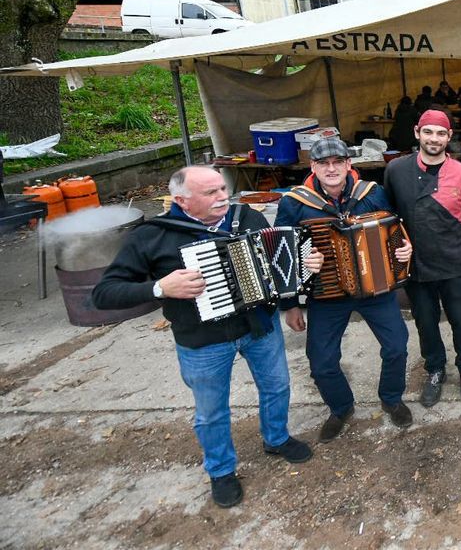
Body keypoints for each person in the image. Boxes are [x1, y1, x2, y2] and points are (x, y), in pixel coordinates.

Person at [91, 166, 312, 508]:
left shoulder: (246, 217)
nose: (223, 197)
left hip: (259, 326)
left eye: (223, 189)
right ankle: (221, 471)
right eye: (211, 193)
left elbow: (273, 266)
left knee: (278, 386)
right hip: (202, 340)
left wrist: (296, 285)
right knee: (211, 411)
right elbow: (104, 293)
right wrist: (160, 287)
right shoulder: (152, 236)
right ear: (181, 200)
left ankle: (277, 438)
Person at [276, 137, 415, 443]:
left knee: (397, 346)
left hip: (374, 289)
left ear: (348, 164)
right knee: (321, 361)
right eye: (323, 164)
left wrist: (403, 253)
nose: (331, 169)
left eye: (337, 162)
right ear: (313, 167)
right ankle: (340, 407)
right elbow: (281, 256)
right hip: (326, 294)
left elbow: (394, 230)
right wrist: (291, 300)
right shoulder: (295, 202)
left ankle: (391, 398)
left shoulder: (372, 193)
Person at [384, 110, 461, 406]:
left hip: (453, 261)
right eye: (428, 132)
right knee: (425, 322)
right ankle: (435, 369)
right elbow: (388, 216)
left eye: (441, 133)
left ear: (449, 137)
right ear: (417, 133)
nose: (434, 139)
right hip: (415, 265)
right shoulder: (396, 171)